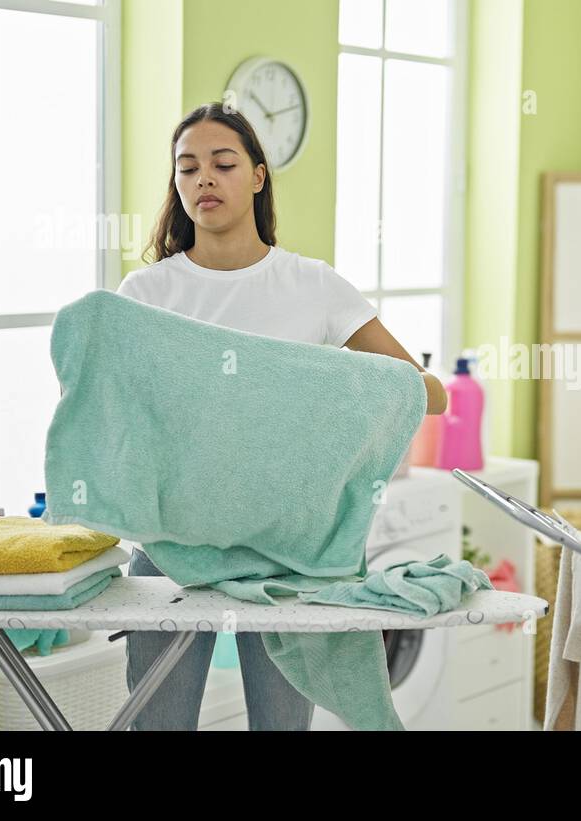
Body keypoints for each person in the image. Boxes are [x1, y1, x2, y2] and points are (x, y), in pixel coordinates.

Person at [114, 102, 447, 730]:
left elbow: (428, 393)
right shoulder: (146, 296)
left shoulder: (312, 286)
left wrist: (320, 385)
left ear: (258, 177)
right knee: (156, 724)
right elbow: (116, 413)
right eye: (188, 168)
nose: (203, 179)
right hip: (170, 545)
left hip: (285, 553)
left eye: (222, 163)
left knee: (282, 726)